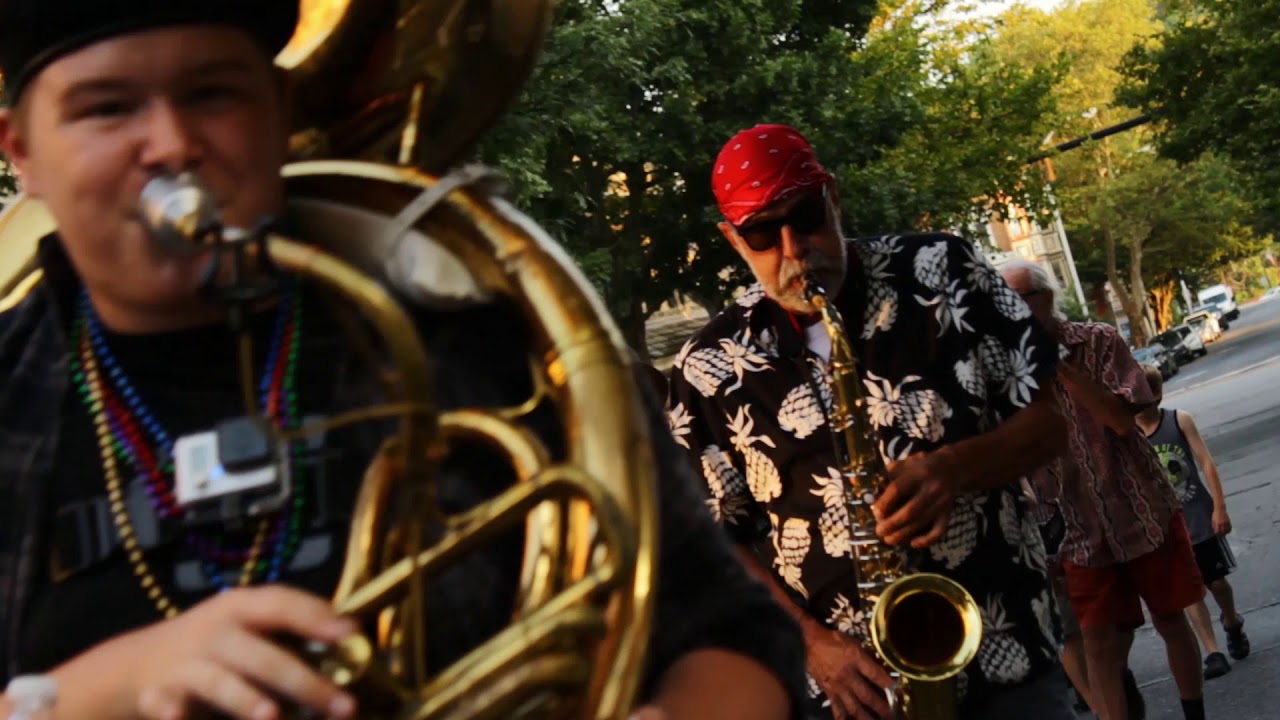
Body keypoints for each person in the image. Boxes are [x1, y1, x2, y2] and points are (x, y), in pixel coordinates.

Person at [0, 4, 809, 720]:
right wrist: (81, 696)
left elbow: (730, 629)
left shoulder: (487, 332)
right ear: (21, 151)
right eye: (108, 108)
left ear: (278, 109)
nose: (173, 145)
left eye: (214, 93)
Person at [667, 123, 1073, 720]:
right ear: (733, 239)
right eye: (761, 233)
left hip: (1002, 647)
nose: (792, 248)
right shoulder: (706, 367)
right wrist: (810, 646)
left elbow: (1050, 425)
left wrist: (954, 468)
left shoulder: (944, 270)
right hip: (856, 694)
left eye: (805, 216)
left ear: (832, 196)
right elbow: (710, 545)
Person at [1001, 259, 1207, 720]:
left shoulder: (1098, 340)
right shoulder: (1005, 366)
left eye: (1017, 299)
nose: (1008, 310)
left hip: (1142, 509)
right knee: (1097, 640)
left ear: (1045, 298)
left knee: (1171, 617)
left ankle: (1195, 712)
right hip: (1077, 526)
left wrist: (1059, 366)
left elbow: (1119, 418)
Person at [1136, 363, 1251, 679]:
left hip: (1198, 515)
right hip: (1163, 526)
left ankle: (1231, 621)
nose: (1138, 402)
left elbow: (1206, 463)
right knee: (1189, 589)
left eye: (1145, 395)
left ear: (1158, 394)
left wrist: (1219, 508)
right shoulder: (1127, 432)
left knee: (1215, 581)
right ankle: (1212, 651)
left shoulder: (1179, 420)